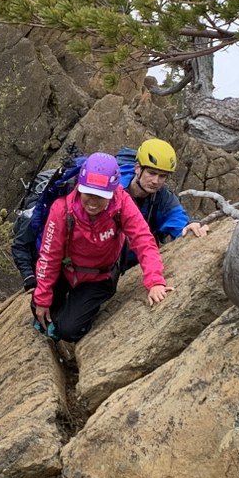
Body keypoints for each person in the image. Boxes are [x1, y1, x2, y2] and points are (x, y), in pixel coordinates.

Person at [32, 153, 167, 342]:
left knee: (68, 331)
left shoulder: (122, 204)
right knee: (38, 307)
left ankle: (79, 311)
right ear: (79, 187)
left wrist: (155, 281)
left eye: (101, 196)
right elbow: (49, 255)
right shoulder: (62, 209)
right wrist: (43, 298)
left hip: (100, 277)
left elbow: (143, 240)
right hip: (68, 270)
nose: (93, 202)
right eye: (89, 193)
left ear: (112, 192)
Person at [116, 138, 210, 271]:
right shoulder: (113, 190)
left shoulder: (162, 198)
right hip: (105, 262)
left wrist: (190, 226)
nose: (156, 181)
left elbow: (178, 220)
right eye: (152, 173)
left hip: (136, 263)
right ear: (138, 168)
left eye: (162, 176)